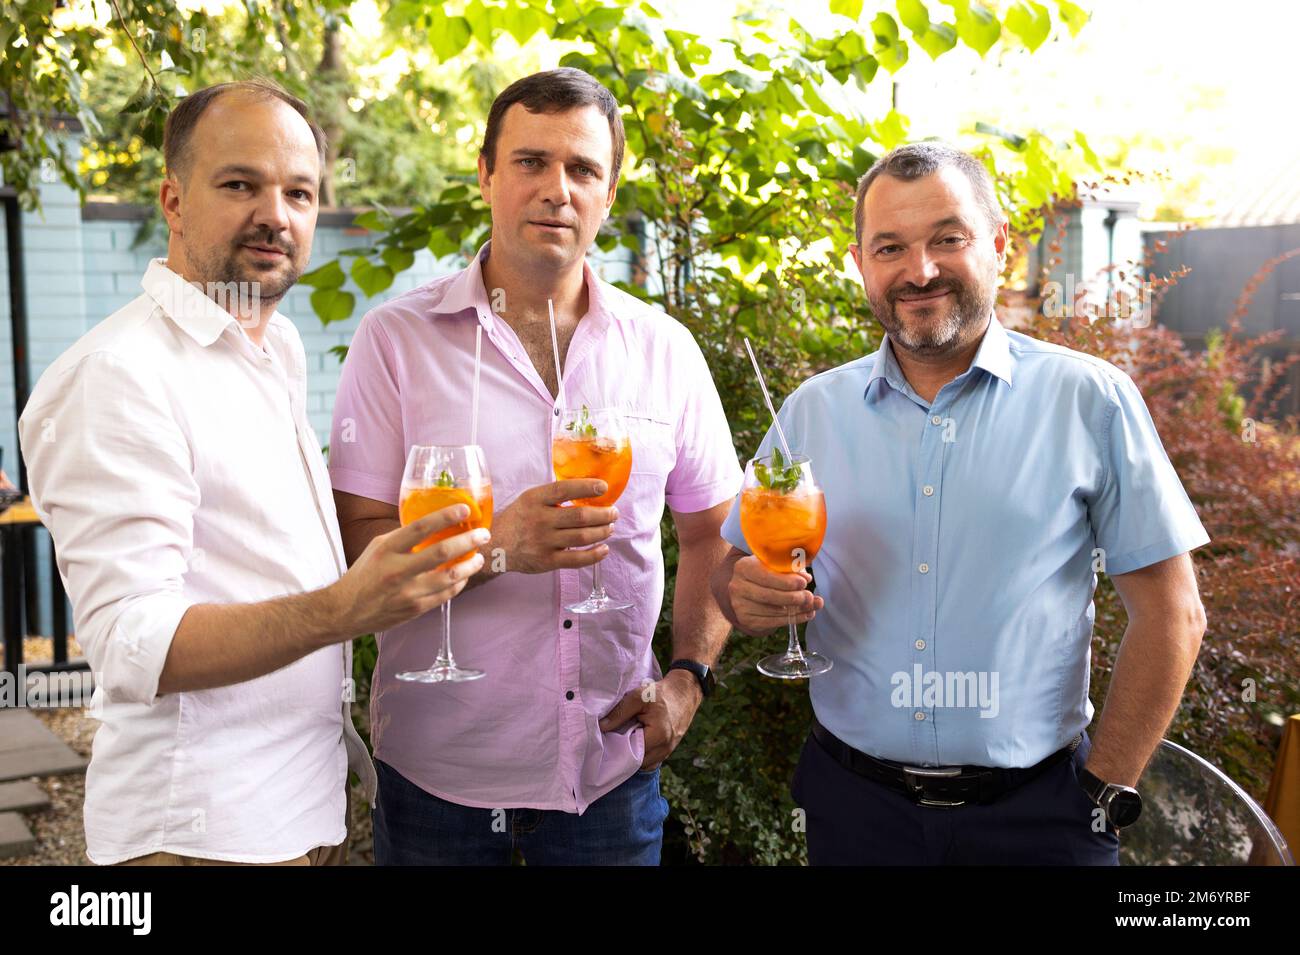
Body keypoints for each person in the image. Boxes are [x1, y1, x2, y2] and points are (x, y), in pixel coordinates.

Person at [18, 79, 484, 866]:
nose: (276, 213)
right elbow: (137, 641)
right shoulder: (118, 374)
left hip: (302, 810)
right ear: (172, 199)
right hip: (200, 833)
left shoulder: (275, 346)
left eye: (298, 191)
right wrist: (345, 606)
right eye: (240, 184)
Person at [711, 142, 1210, 865]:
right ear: (861, 264)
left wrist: (1104, 792)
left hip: (1042, 822)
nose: (919, 270)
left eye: (947, 238)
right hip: (855, 815)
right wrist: (742, 596)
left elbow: (1173, 615)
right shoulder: (811, 411)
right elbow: (733, 574)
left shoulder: (1089, 400)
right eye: (891, 247)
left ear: (999, 245)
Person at [330, 68, 742, 865]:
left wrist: (689, 677)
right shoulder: (396, 342)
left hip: (609, 776)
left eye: (583, 169)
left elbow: (710, 534)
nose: (557, 188)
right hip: (439, 781)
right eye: (530, 161)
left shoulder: (663, 351)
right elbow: (356, 550)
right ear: (485, 174)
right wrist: (498, 547)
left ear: (609, 193)